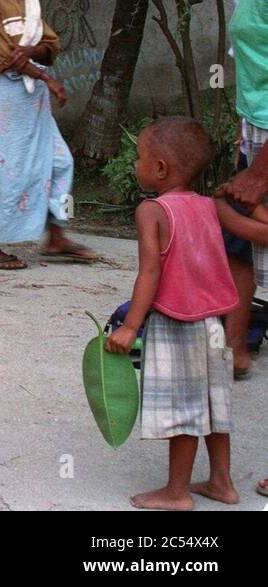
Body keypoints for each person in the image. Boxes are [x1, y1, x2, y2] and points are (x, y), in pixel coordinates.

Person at [107, 118, 240, 510]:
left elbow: (150, 271)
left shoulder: (154, 211)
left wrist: (131, 326)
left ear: (160, 168)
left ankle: (176, 493)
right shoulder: (211, 206)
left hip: (176, 322)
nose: (135, 164)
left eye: (139, 157)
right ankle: (222, 483)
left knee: (184, 410)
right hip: (213, 324)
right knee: (215, 405)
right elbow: (255, 232)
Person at [0, 0, 97, 270]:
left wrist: (32, 51)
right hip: (4, 96)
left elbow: (51, 45)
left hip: (33, 98)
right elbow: (0, 56)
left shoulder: (30, 0)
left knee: (60, 162)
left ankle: (56, 236)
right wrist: (46, 77)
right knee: (8, 169)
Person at [219, 0, 268, 379]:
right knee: (238, 245)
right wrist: (243, 132)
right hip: (255, 125)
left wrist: (259, 172)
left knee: (246, 227)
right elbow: (251, 68)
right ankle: (236, 347)